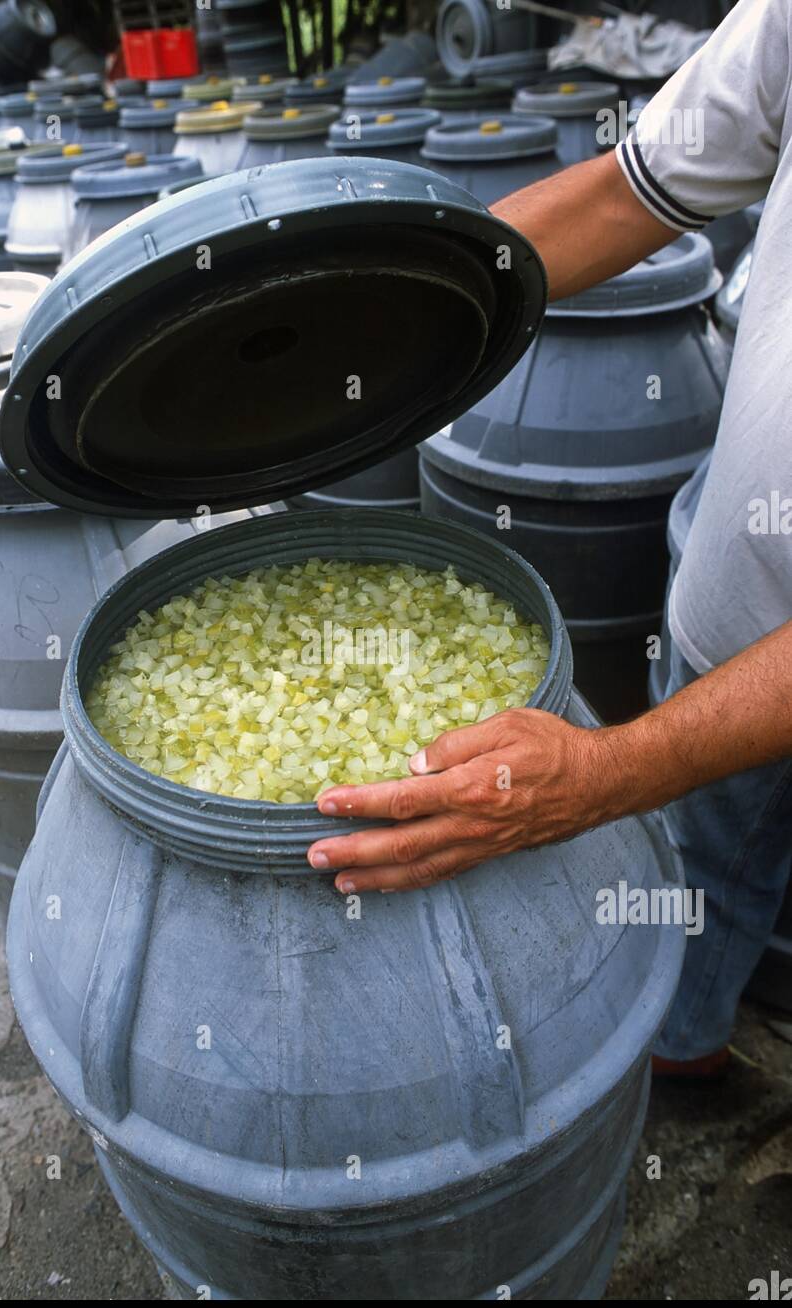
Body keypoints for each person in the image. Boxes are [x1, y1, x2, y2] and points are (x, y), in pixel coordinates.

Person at [308, 0, 792, 1076]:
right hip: (731, 598)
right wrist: (395, 308)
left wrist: (606, 772)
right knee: (712, 864)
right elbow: (627, 191)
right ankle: (680, 1041)